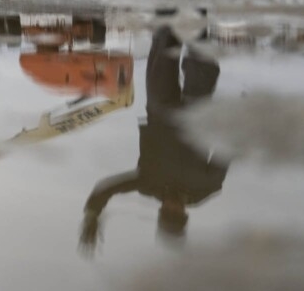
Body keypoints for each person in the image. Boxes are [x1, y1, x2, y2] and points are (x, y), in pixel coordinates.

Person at [79, 26, 227, 254]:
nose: (172, 207)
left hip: (160, 109)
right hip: (195, 114)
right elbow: (226, 150)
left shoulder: (149, 184)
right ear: (185, 214)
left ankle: (167, 11)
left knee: (164, 43)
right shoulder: (206, 187)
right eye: (176, 213)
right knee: (202, 60)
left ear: (160, 211)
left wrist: (92, 215)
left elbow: (106, 189)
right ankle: (196, 18)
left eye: (167, 212)